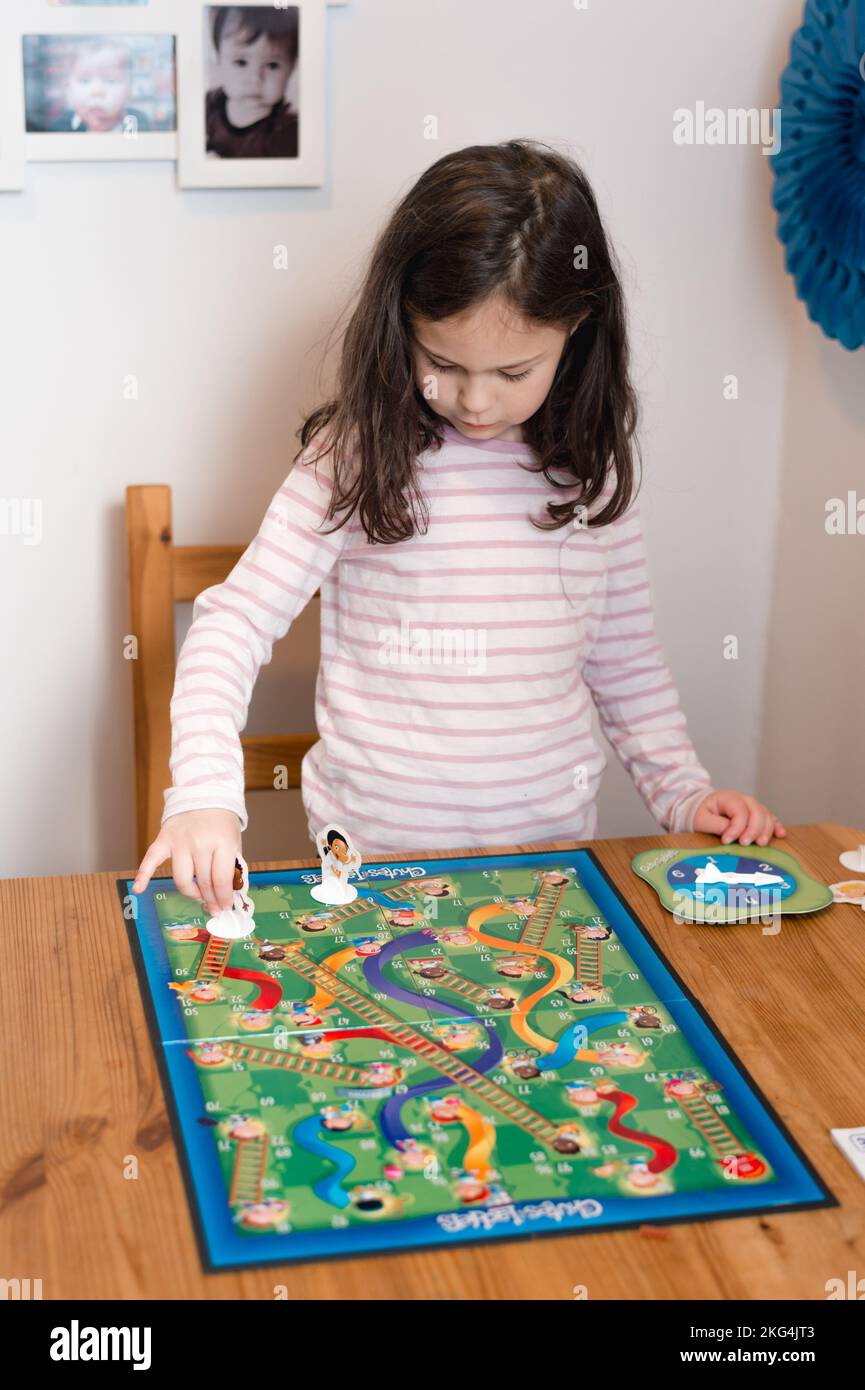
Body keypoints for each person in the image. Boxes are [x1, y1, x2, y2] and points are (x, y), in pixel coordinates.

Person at [132, 139, 785, 917]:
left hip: (546, 870)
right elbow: (232, 623)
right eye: (440, 361)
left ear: (577, 331)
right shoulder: (353, 454)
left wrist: (682, 793)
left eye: (514, 373)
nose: (474, 402)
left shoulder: (591, 469)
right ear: (398, 320)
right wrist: (203, 792)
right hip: (369, 869)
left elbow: (624, 657)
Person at [205, 6, 298, 159]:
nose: (255, 79)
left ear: (291, 67)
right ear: (218, 59)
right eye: (241, 62)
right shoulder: (208, 107)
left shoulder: (288, 132)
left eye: (272, 65)